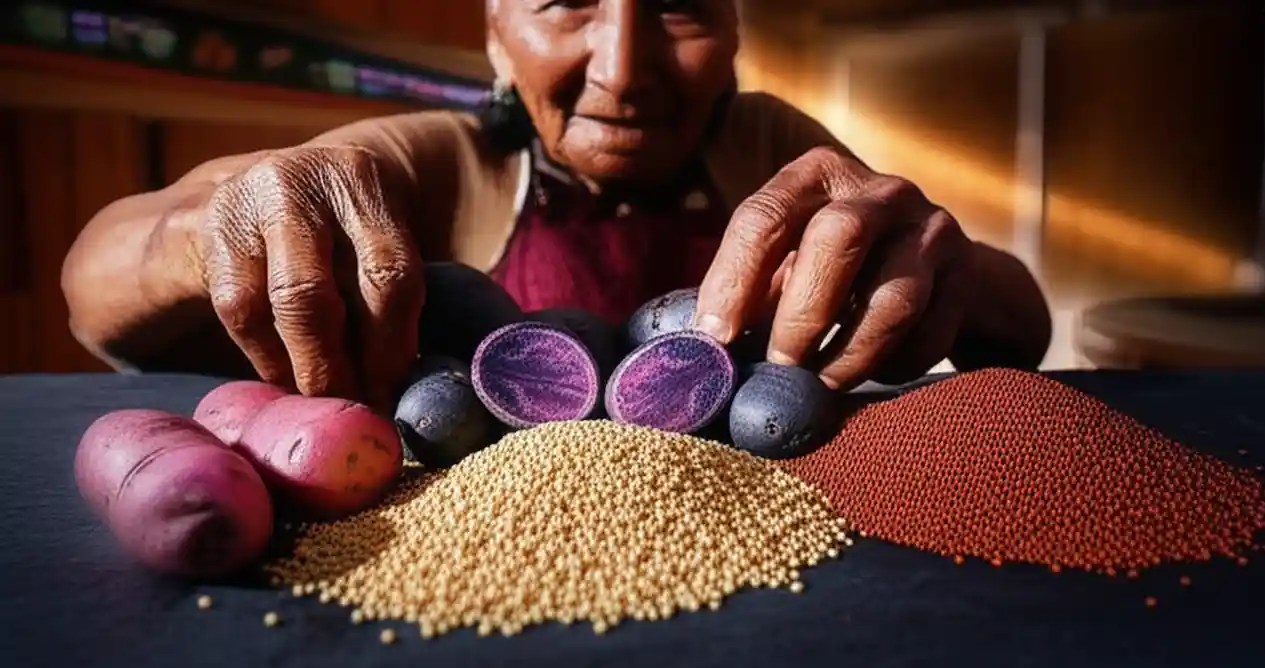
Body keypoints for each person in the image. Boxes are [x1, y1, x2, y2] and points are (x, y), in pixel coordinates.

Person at [61, 0, 1051, 413]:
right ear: (495, 34)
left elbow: (1021, 320)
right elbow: (96, 282)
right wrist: (215, 228)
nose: (623, 73)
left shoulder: (765, 147)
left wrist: (932, 253)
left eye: (679, 8)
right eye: (565, 2)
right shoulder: (436, 160)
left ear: (735, 33)